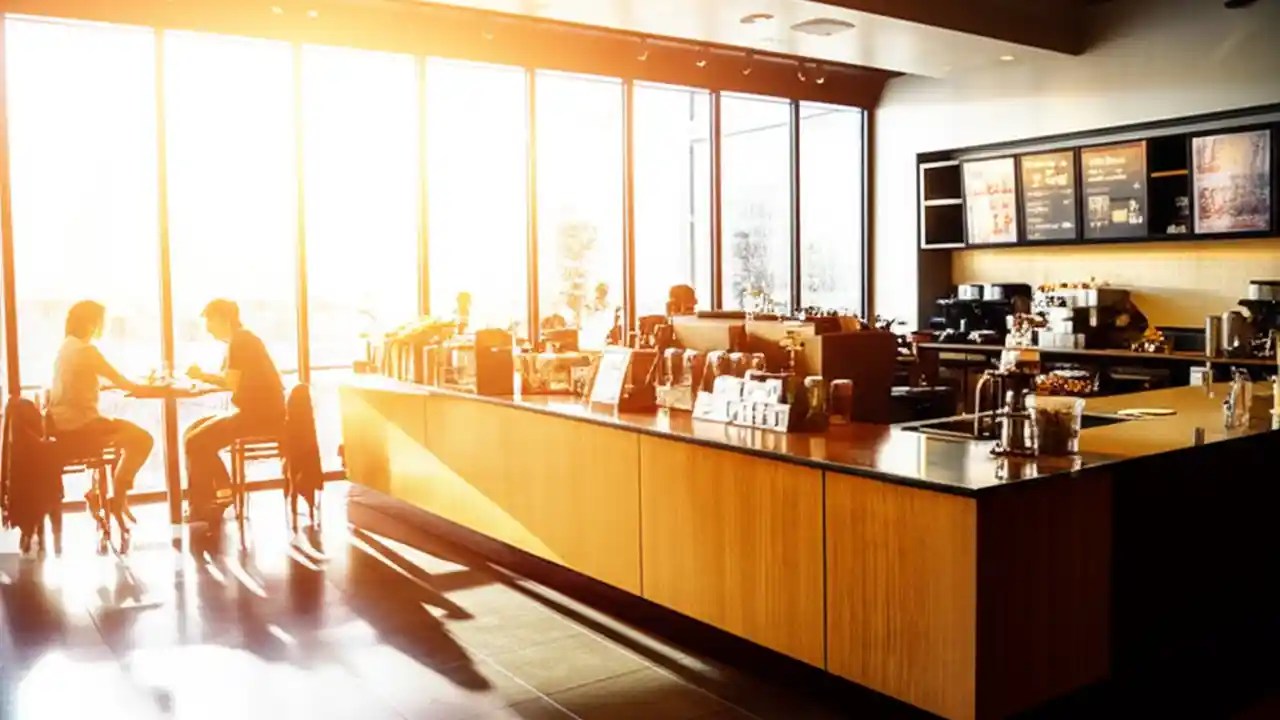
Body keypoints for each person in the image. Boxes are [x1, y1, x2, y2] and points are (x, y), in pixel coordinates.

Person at [48, 300, 154, 525]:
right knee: (143, 439)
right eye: (100, 321)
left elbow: (78, 381)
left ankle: (100, 492)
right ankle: (117, 497)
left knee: (122, 434)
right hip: (82, 427)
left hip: (61, 424)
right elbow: (122, 381)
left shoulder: (66, 347)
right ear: (92, 323)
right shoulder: (87, 350)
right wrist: (152, 387)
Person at [184, 299, 285, 524]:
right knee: (193, 432)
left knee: (194, 441)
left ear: (223, 319)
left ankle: (204, 505)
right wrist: (205, 377)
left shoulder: (241, 341)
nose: (208, 330)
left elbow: (230, 382)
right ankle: (221, 491)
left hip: (260, 416)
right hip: (263, 411)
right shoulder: (242, 340)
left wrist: (201, 376)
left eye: (210, 322)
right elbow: (232, 379)